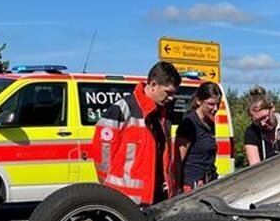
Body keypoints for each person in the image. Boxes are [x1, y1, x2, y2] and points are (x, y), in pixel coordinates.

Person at [91, 61, 181, 204]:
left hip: (157, 196)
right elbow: (102, 154)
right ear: (153, 85)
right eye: (168, 92)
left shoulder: (164, 114)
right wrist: (108, 190)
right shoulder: (123, 109)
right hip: (126, 199)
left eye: (173, 94)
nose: (171, 98)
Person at [175, 81, 223, 192]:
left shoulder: (209, 123)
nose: (215, 109)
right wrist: (177, 188)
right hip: (191, 185)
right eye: (211, 104)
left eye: (218, 104)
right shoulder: (189, 123)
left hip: (208, 182)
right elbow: (178, 160)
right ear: (198, 101)